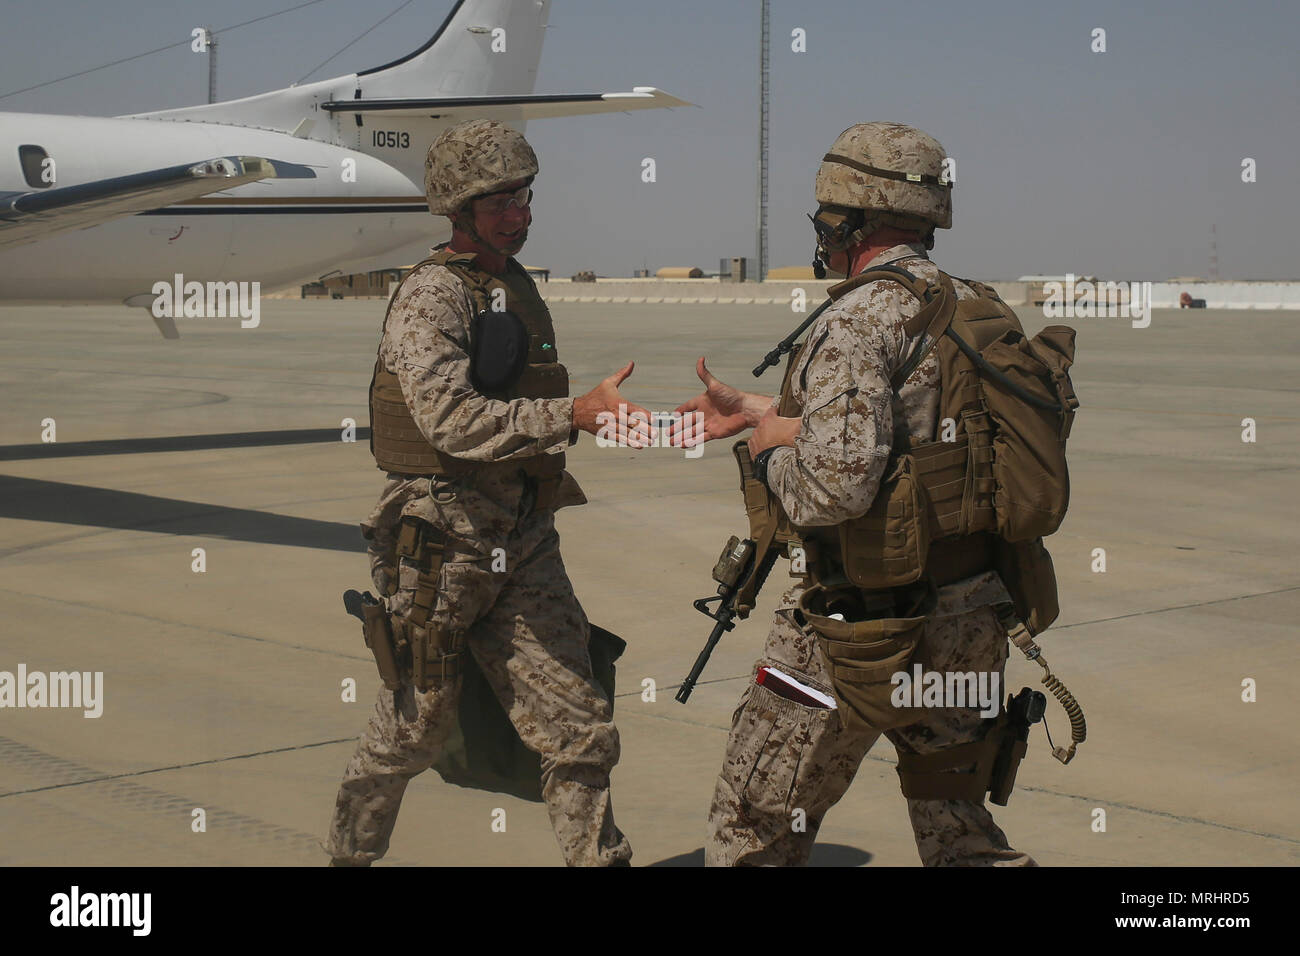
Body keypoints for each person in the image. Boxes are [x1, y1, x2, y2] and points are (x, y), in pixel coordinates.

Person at [672, 122, 1040, 867]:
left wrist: (769, 449)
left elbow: (833, 489)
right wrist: (766, 412)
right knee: (959, 829)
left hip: (851, 626)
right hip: (970, 617)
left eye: (825, 221)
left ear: (849, 221)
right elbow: (917, 436)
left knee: (754, 823)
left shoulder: (856, 319)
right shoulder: (975, 307)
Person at [326, 119, 650, 867]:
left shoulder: (513, 287)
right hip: (441, 543)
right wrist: (575, 415)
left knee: (580, 725)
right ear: (457, 208)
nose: (518, 213)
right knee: (413, 727)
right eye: (498, 200)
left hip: (523, 537)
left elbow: (525, 410)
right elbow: (451, 423)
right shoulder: (430, 297)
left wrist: (636, 423)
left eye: (523, 195)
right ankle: (350, 855)